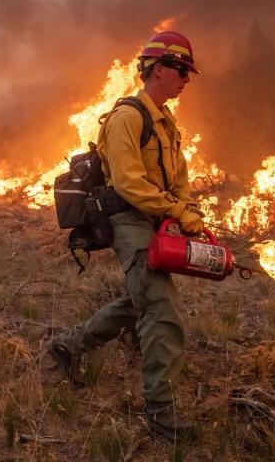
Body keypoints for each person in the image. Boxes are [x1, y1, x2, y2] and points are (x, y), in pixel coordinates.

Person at [47, 31, 204, 438]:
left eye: (188, 71)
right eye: (181, 70)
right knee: (161, 310)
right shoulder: (127, 118)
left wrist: (185, 209)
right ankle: (161, 414)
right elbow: (131, 184)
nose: (186, 78)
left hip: (154, 221)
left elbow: (180, 176)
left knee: (140, 301)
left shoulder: (166, 122)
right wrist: (174, 210)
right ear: (158, 70)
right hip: (129, 222)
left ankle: (66, 346)